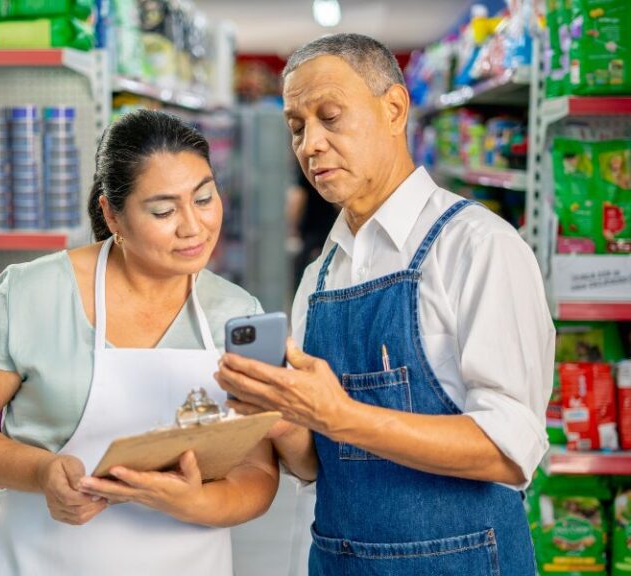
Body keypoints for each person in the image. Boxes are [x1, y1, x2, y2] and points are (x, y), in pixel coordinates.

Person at [215, 33, 554, 576]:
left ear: (394, 108)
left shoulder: (476, 246)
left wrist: (342, 415)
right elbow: (314, 463)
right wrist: (276, 414)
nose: (310, 146)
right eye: (297, 128)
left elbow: (507, 450)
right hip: (339, 559)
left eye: (330, 116)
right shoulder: (319, 276)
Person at [0, 109, 279, 576]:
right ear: (112, 215)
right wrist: (40, 472)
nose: (193, 226)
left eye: (205, 198)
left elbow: (259, 472)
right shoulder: (37, 292)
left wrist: (199, 501)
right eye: (164, 210)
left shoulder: (237, 314)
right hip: (40, 560)